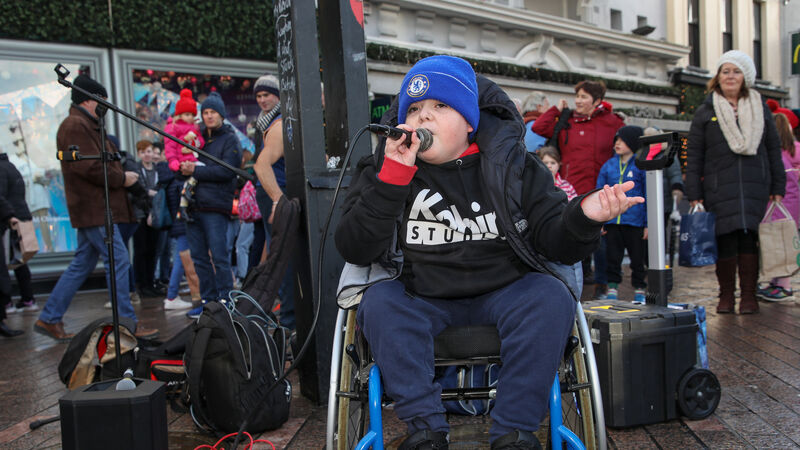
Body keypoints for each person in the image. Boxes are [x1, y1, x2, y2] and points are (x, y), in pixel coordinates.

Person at [335, 55, 643, 450]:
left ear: (469, 121)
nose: (422, 118)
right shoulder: (383, 165)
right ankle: (426, 430)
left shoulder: (515, 165)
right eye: (413, 109)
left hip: (504, 290)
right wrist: (392, 179)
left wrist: (584, 217)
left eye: (438, 106)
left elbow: (555, 242)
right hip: (420, 293)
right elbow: (354, 247)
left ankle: (513, 432)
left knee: (551, 297)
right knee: (378, 302)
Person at [35, 74, 158, 341]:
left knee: (82, 264)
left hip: (94, 208)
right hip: (95, 209)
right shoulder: (76, 125)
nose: (106, 106)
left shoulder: (86, 124)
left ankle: (49, 318)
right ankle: (126, 325)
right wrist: (122, 178)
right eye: (103, 100)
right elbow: (88, 167)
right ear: (90, 100)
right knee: (119, 261)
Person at [685, 50, 785, 315]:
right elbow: (694, 154)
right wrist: (693, 192)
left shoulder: (760, 107)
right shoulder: (706, 111)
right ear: (718, 77)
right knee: (726, 240)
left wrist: (778, 186)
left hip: (756, 186)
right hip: (718, 187)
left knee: (750, 240)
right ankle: (726, 295)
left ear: (746, 77)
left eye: (736, 71)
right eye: (725, 71)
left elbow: (773, 149)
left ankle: (749, 296)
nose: (730, 76)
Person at [532, 80, 625, 290]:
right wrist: (557, 109)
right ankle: (576, 285)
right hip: (571, 191)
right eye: (577, 96)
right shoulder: (567, 120)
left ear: (598, 100)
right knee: (573, 237)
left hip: (600, 189)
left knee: (602, 241)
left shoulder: (612, 122)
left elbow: (626, 141)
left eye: (584, 97)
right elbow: (539, 127)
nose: (578, 101)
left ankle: (604, 284)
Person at [182, 92, 241, 319]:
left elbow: (227, 171)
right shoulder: (197, 139)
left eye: (212, 112)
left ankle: (226, 300)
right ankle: (207, 301)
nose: (208, 116)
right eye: (205, 112)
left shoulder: (230, 139)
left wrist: (195, 170)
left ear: (221, 115)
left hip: (216, 206)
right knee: (199, 257)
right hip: (194, 205)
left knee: (219, 255)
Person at [253, 75, 297, 331]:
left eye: (265, 95)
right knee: (284, 259)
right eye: (258, 96)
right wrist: (277, 200)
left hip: (279, 193)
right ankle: (289, 325)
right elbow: (261, 165)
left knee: (279, 256)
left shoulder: (278, 122)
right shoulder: (279, 126)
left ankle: (282, 317)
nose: (262, 100)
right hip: (275, 194)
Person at [596, 126, 647, 302]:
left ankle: (640, 288)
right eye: (616, 140)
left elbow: (647, 194)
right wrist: (600, 220)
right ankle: (612, 288)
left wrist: (647, 223)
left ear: (632, 143)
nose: (617, 143)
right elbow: (599, 193)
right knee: (612, 256)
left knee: (637, 257)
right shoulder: (608, 165)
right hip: (612, 221)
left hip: (634, 221)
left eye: (622, 140)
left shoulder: (640, 165)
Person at [757, 113, 800, 301]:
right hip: (792, 206)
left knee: (777, 244)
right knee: (783, 243)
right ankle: (778, 282)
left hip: (778, 205)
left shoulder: (775, 154)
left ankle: (783, 285)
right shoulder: (795, 149)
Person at [0, 151, 36, 337]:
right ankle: (26, 299)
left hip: (11, 220)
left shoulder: (3, 168)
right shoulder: (10, 166)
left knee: (12, 262)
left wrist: (9, 216)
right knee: (18, 261)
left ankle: (11, 303)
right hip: (16, 217)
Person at [164, 89, 205, 222]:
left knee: (201, 170)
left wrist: (195, 141)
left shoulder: (195, 128)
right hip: (182, 160)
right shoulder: (173, 128)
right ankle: (185, 198)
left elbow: (200, 143)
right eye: (186, 114)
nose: (189, 117)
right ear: (180, 115)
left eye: (191, 115)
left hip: (192, 159)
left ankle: (185, 201)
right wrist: (173, 161)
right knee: (197, 172)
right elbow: (170, 147)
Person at [132, 140, 163, 298]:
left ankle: (151, 283)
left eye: (149, 151)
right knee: (141, 250)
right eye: (143, 152)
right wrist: (148, 209)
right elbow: (140, 193)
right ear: (139, 154)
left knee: (153, 250)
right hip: (141, 215)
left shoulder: (157, 170)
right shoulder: (137, 169)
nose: (147, 154)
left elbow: (158, 191)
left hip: (155, 214)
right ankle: (142, 284)